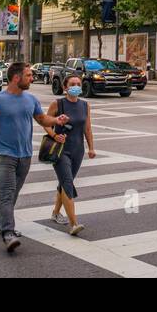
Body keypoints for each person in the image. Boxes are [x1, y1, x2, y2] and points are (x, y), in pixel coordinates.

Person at [0, 61, 67, 252]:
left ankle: (0, 222)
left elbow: (41, 119)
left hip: (25, 155)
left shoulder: (31, 99)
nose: (32, 78)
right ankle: (8, 232)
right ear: (16, 77)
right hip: (3, 155)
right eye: (29, 75)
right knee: (6, 193)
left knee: (13, 193)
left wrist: (56, 120)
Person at [47, 71, 96, 236]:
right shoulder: (57, 104)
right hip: (60, 150)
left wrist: (91, 148)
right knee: (67, 183)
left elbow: (87, 128)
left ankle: (55, 212)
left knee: (64, 182)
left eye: (78, 84)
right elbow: (45, 122)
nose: (76, 87)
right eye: (72, 85)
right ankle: (74, 223)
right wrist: (54, 134)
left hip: (77, 150)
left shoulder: (85, 105)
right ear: (65, 87)